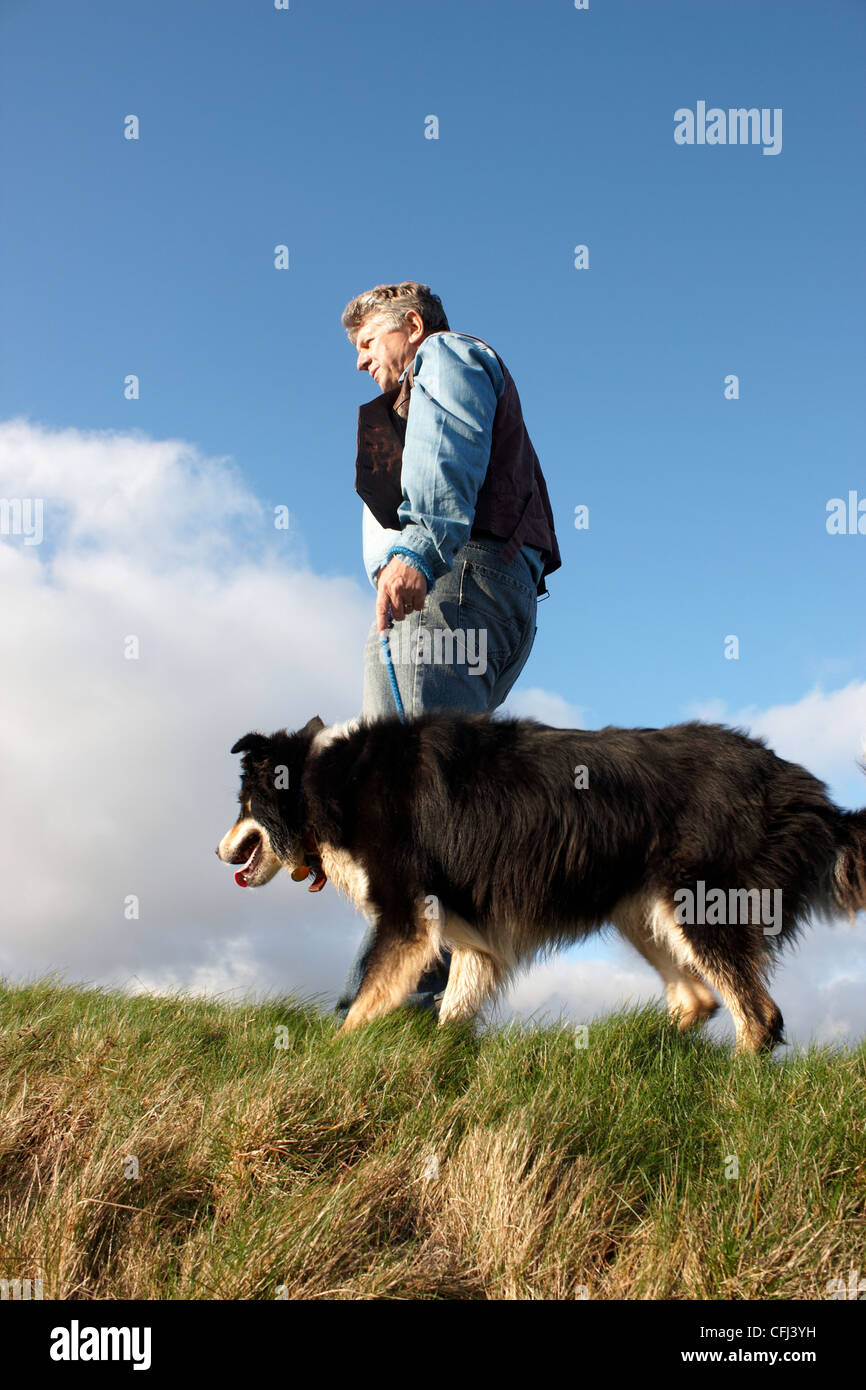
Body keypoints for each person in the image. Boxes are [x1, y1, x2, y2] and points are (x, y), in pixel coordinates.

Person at [334, 281, 561, 1021]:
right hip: (480, 589)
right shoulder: (403, 399)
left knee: (413, 790)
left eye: (368, 342)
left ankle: (406, 998)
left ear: (412, 324)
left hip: (454, 582)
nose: (361, 361)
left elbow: (446, 451)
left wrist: (419, 553)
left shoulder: (445, 356)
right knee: (437, 788)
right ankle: (432, 997)